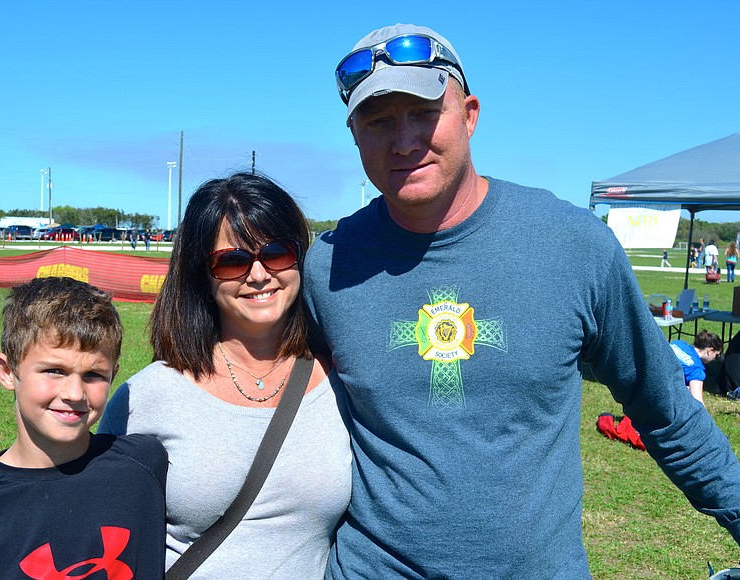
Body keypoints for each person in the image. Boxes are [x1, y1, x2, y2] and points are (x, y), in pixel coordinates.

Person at [303, 23, 740, 578]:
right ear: (355, 136)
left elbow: (667, 413)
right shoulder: (329, 265)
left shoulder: (572, 246)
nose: (404, 140)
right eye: (379, 121)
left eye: (423, 113)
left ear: (470, 115)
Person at [98, 172, 351, 577]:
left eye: (277, 253)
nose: (258, 274)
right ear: (202, 274)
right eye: (232, 260)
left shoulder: (342, 382)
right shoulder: (148, 395)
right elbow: (100, 532)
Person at [0, 277, 168, 579]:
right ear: (7, 371)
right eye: (54, 371)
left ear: (113, 375)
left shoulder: (143, 464)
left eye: (94, 374)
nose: (74, 393)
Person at [670, 331, 723, 406]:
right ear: (710, 351)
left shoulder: (678, 343)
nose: (715, 359)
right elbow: (698, 402)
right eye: (717, 355)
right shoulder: (697, 370)